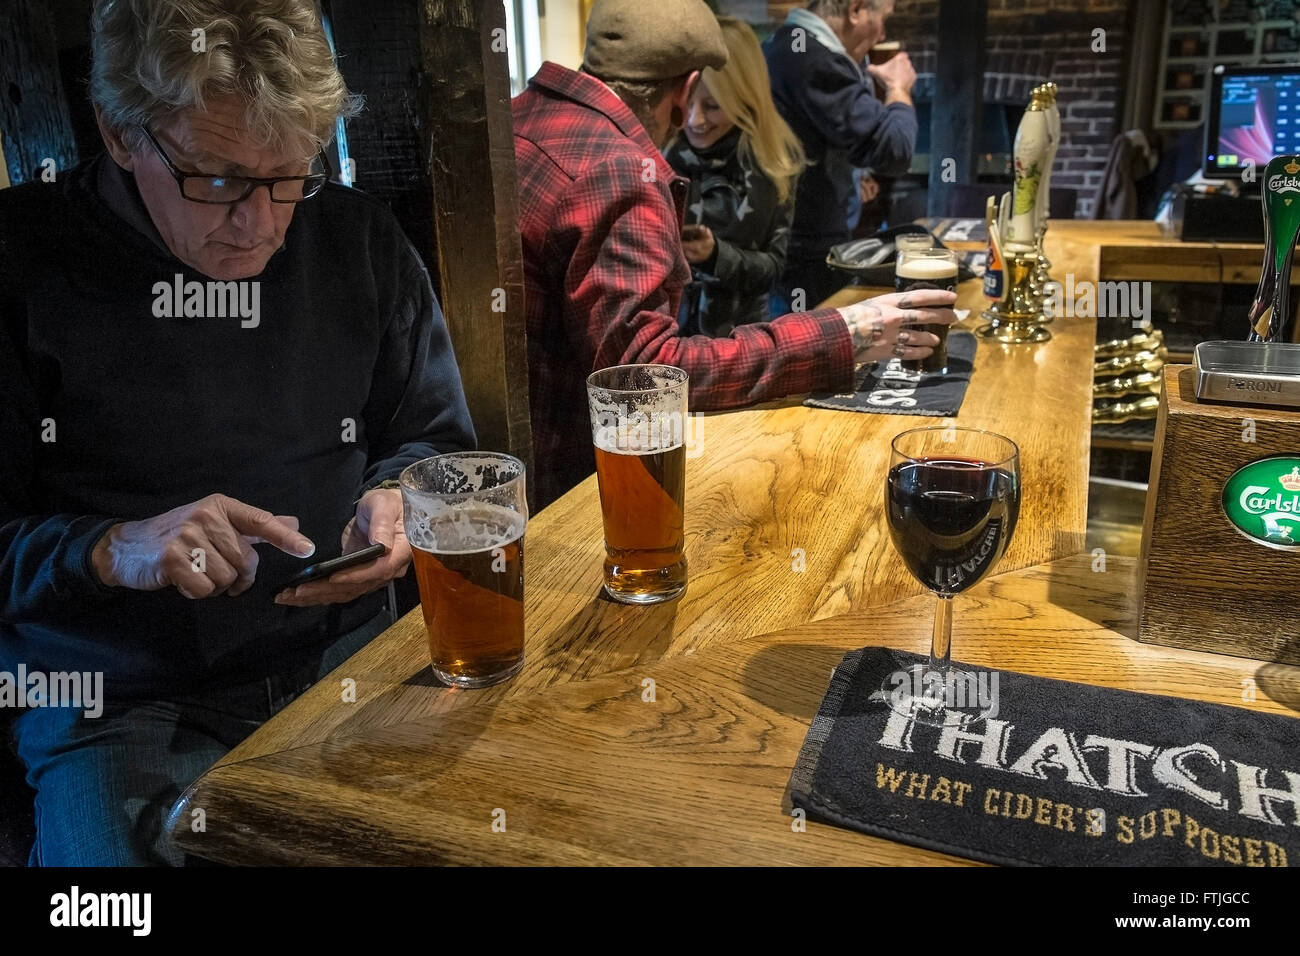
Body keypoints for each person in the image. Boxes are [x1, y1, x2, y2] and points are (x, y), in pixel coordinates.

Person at [0, 0, 475, 865]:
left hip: (346, 650)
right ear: (116, 131)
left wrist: (399, 499)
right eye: (216, 177)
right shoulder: (21, 264)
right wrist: (111, 548)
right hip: (119, 698)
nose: (259, 223)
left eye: (289, 175)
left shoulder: (356, 240)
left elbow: (435, 442)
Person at [514, 0, 954, 508]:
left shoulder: (519, 117)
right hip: (572, 501)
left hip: (496, 471)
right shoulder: (618, 170)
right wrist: (847, 334)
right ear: (687, 88)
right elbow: (646, 381)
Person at [766, 0, 918, 308]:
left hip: (788, 245)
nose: (882, 34)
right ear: (856, 9)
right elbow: (894, 149)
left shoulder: (785, 47)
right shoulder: (813, 61)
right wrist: (898, 89)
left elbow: (806, 140)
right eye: (883, 19)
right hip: (802, 258)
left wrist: (849, 174)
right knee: (815, 351)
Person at [665, 16, 806, 338]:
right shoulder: (659, 153)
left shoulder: (774, 159)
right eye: (687, 104)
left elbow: (773, 269)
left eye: (713, 106)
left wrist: (716, 256)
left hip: (740, 338)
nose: (695, 120)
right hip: (663, 333)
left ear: (744, 99)